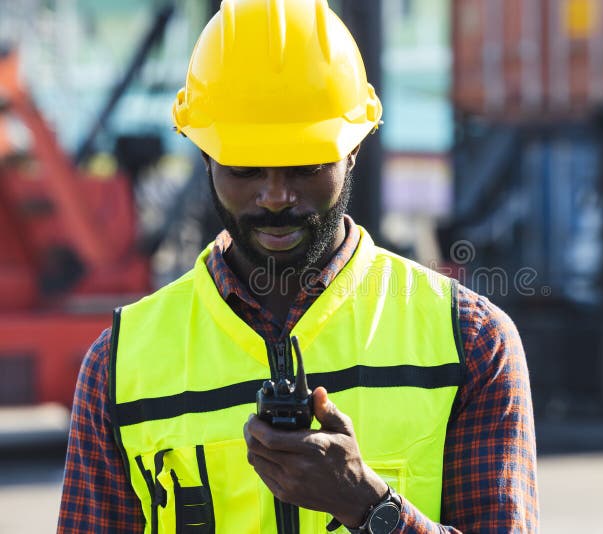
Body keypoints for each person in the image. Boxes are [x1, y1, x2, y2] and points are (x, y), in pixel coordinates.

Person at [57, 0, 539, 532]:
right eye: (246, 168)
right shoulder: (119, 368)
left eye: (305, 166)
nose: (275, 196)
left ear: (354, 149)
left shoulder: (470, 343)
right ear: (204, 154)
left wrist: (369, 506)